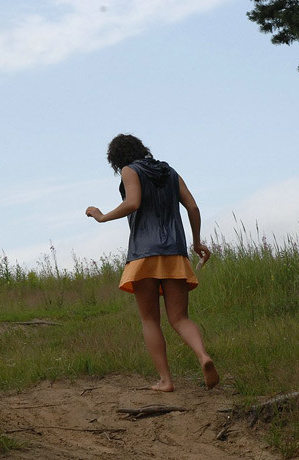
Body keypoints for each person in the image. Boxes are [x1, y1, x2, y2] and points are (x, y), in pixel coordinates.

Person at [85, 134, 219, 392]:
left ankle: (166, 381)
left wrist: (102, 217)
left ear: (116, 158)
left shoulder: (129, 170)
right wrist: (197, 242)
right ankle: (203, 355)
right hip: (175, 252)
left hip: (144, 254)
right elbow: (192, 207)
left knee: (150, 319)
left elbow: (133, 202)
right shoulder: (169, 171)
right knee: (179, 318)